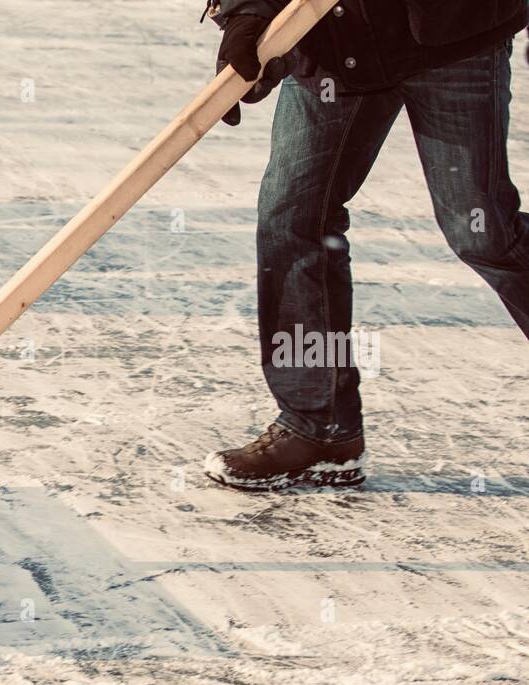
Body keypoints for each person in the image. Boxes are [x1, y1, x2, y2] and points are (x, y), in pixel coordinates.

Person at [201, 0, 529, 490]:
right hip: (335, 43)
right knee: (294, 218)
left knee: (482, 232)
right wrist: (248, 13)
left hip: (452, 36)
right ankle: (320, 427)